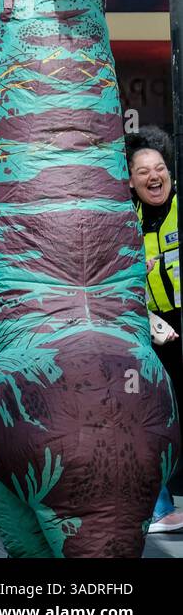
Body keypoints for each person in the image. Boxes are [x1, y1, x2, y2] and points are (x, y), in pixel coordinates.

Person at [125, 126, 183, 533]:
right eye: (143, 171)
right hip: (154, 335)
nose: (153, 177)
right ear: (131, 180)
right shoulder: (127, 224)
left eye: (159, 168)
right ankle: (161, 508)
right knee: (151, 419)